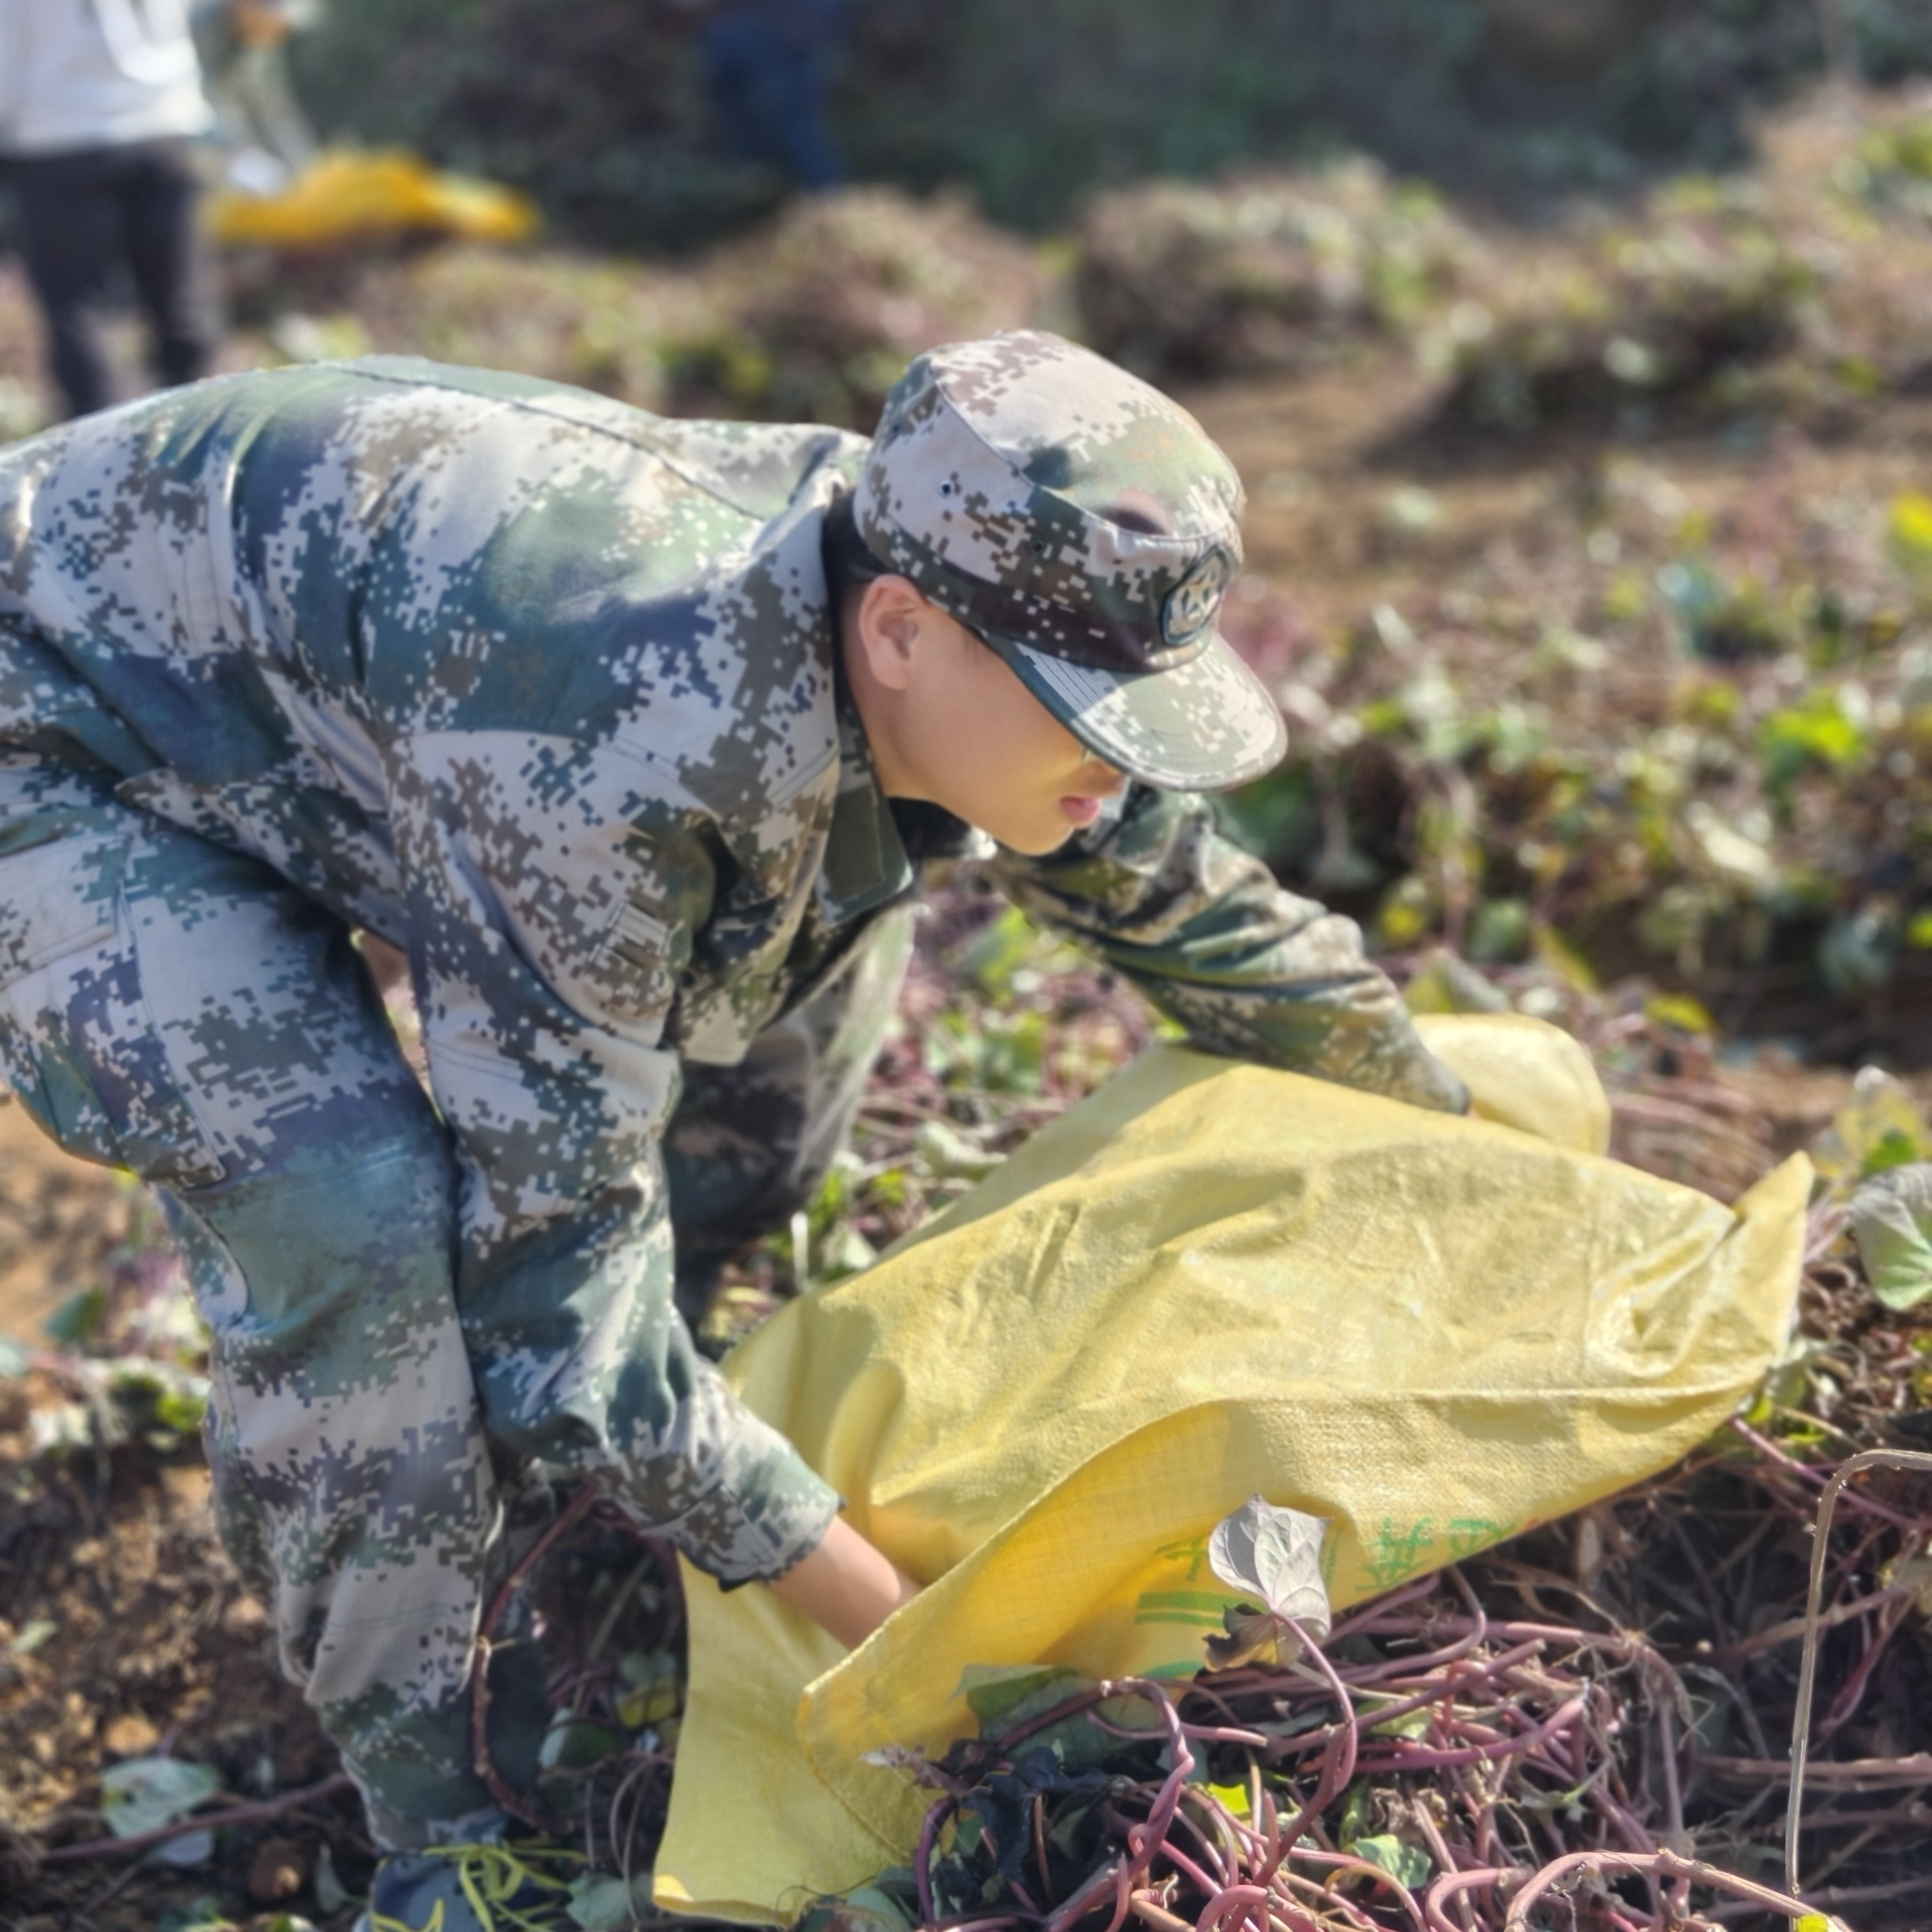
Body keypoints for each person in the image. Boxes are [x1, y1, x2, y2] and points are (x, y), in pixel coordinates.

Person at [0, 330, 1466, 1928]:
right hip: (57, 724)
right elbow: (549, 1281)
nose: (1116, 771)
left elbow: (1198, 915)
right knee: (345, 1204)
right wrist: (909, 1635)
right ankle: (446, 1824)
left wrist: (1464, 1154)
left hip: (341, 691)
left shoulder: (935, 589)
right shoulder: (615, 734)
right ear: (896, 628)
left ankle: (623, 1478)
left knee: (816, 961)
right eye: (1087, 717)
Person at [0, 0, 226, 421]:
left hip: (59, 134)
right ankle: (204, 430)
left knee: (78, 308)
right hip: (166, 124)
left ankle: (104, 451)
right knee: (182, 300)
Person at [697, 0, 849, 191]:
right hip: (730, 32)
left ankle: (828, 190)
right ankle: (755, 181)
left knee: (796, 120)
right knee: (737, 119)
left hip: (780, 32)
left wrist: (816, 19)